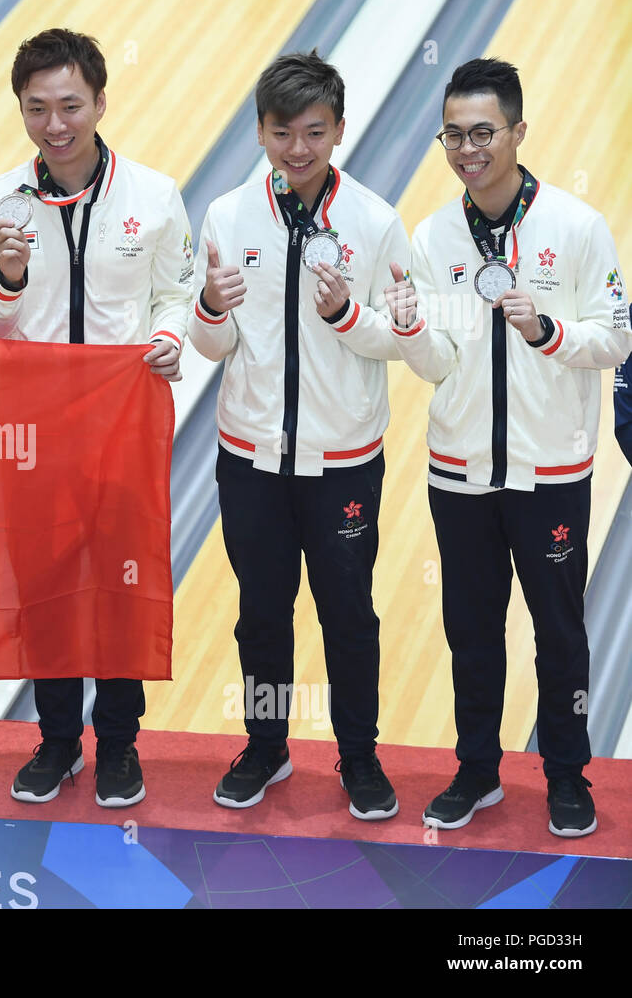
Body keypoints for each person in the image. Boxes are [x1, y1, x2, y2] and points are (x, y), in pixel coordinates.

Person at [390, 58, 631, 837]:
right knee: (471, 631)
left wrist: (546, 331)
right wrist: (409, 331)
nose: (468, 149)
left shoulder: (576, 227)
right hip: (460, 475)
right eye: (453, 135)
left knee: (561, 635)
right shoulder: (433, 237)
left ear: (518, 132)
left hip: (551, 471)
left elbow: (617, 338)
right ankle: (477, 770)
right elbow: (437, 367)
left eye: (483, 132)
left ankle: (567, 775)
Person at [0, 28, 189, 809]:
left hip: (122, 426)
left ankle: (119, 744)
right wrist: (10, 274)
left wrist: (166, 337)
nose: (55, 125)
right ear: (20, 109)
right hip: (30, 435)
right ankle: (59, 741)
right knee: (47, 590)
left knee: (121, 586)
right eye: (37, 109)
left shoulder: (154, 195)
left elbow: (173, 298)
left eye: (69, 106)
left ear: (99, 100)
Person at [189, 52, 410, 820]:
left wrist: (351, 314)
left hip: (343, 462)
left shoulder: (376, 223)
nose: (299, 148)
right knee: (261, 611)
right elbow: (209, 348)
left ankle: (358, 756)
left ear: (340, 129)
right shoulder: (226, 215)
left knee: (348, 612)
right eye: (282, 132)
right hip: (249, 458)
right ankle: (267, 745)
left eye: (315, 132)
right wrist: (210, 308)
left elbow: (406, 341)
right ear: (260, 131)